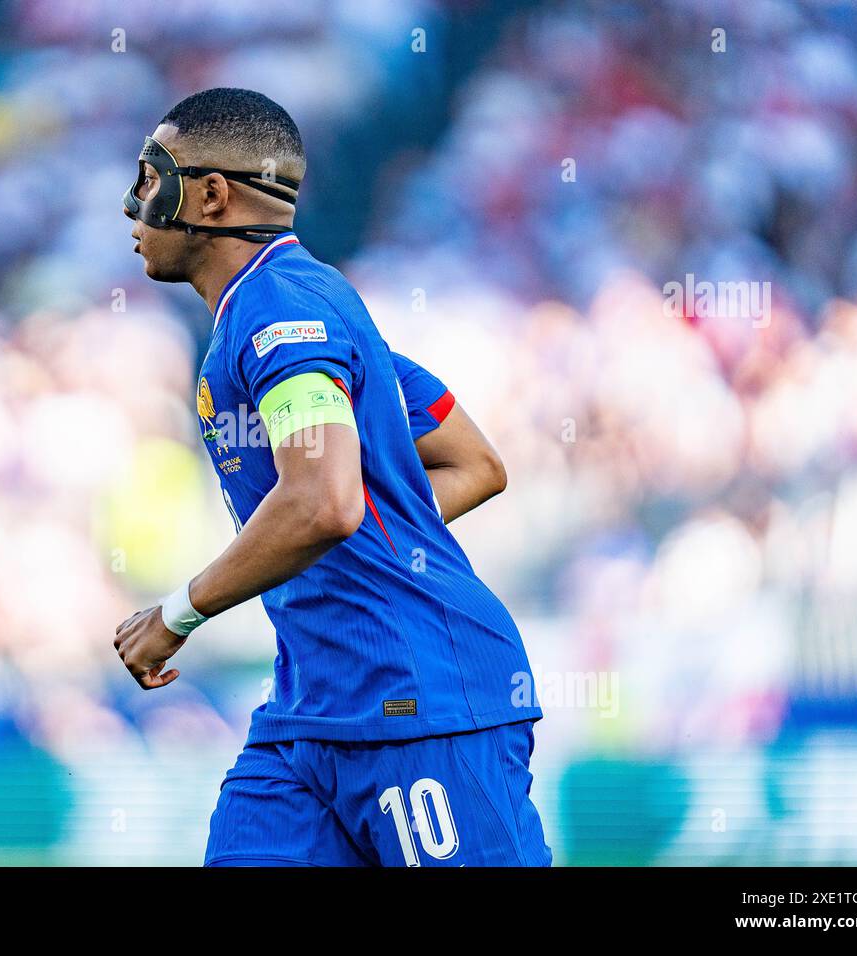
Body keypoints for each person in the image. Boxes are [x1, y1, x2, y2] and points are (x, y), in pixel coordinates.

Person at [114, 88, 550, 866]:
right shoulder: (312, 308)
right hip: (308, 711)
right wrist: (370, 528)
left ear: (209, 196)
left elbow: (323, 501)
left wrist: (178, 613)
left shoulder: (282, 309)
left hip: (418, 698)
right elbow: (470, 464)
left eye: (152, 177)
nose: (134, 204)